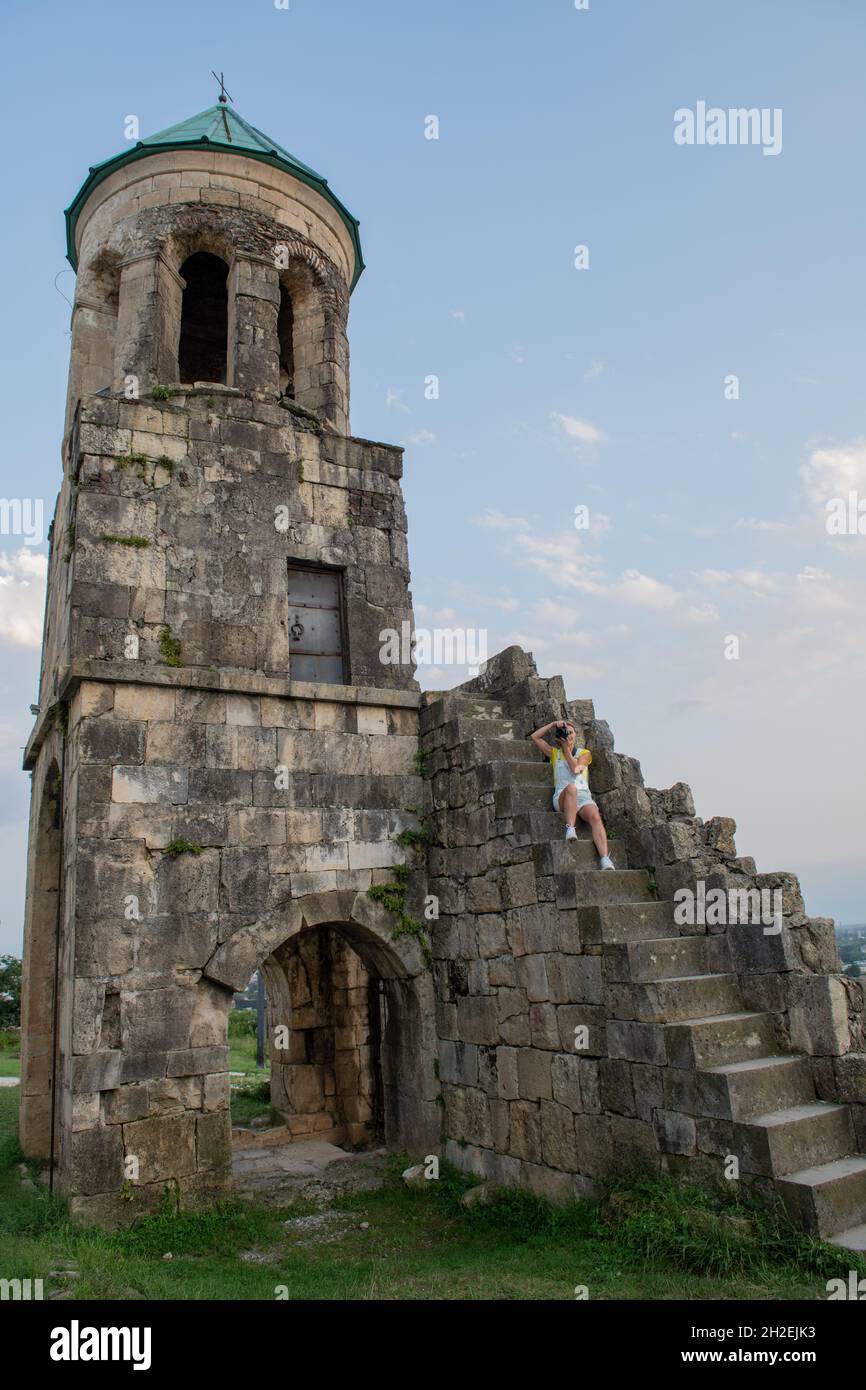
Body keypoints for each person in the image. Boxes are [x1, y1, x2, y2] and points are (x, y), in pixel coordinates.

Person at [530, 719, 615, 869]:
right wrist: (552, 725)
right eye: (565, 733)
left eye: (570, 732)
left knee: (595, 816)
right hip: (563, 796)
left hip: (583, 797)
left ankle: (604, 858)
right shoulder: (555, 754)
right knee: (571, 788)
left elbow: (576, 769)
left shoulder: (585, 754)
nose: (567, 735)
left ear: (576, 735)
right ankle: (570, 827)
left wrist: (567, 749)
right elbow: (535, 737)